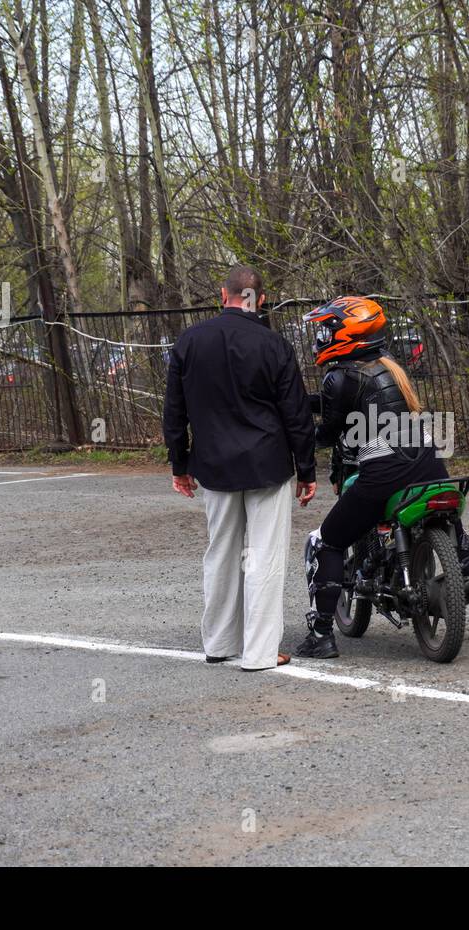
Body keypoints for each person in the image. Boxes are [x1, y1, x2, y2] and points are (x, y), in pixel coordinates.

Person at [298, 295, 469, 659]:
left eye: (326, 329)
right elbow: (344, 402)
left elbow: (328, 432)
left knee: (328, 542)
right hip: (430, 465)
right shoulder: (388, 367)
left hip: (384, 474)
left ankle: (321, 634)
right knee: (458, 540)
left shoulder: (339, 376)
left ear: (346, 333)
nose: (321, 337)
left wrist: (291, 434)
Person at [162, 265, 317, 671]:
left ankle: (218, 643)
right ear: (260, 300)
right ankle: (261, 653)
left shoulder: (190, 342)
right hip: (268, 463)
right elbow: (296, 413)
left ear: (222, 293)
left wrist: (180, 463)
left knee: (221, 554)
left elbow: (174, 412)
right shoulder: (274, 345)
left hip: (213, 465)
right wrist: (307, 469)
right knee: (264, 556)